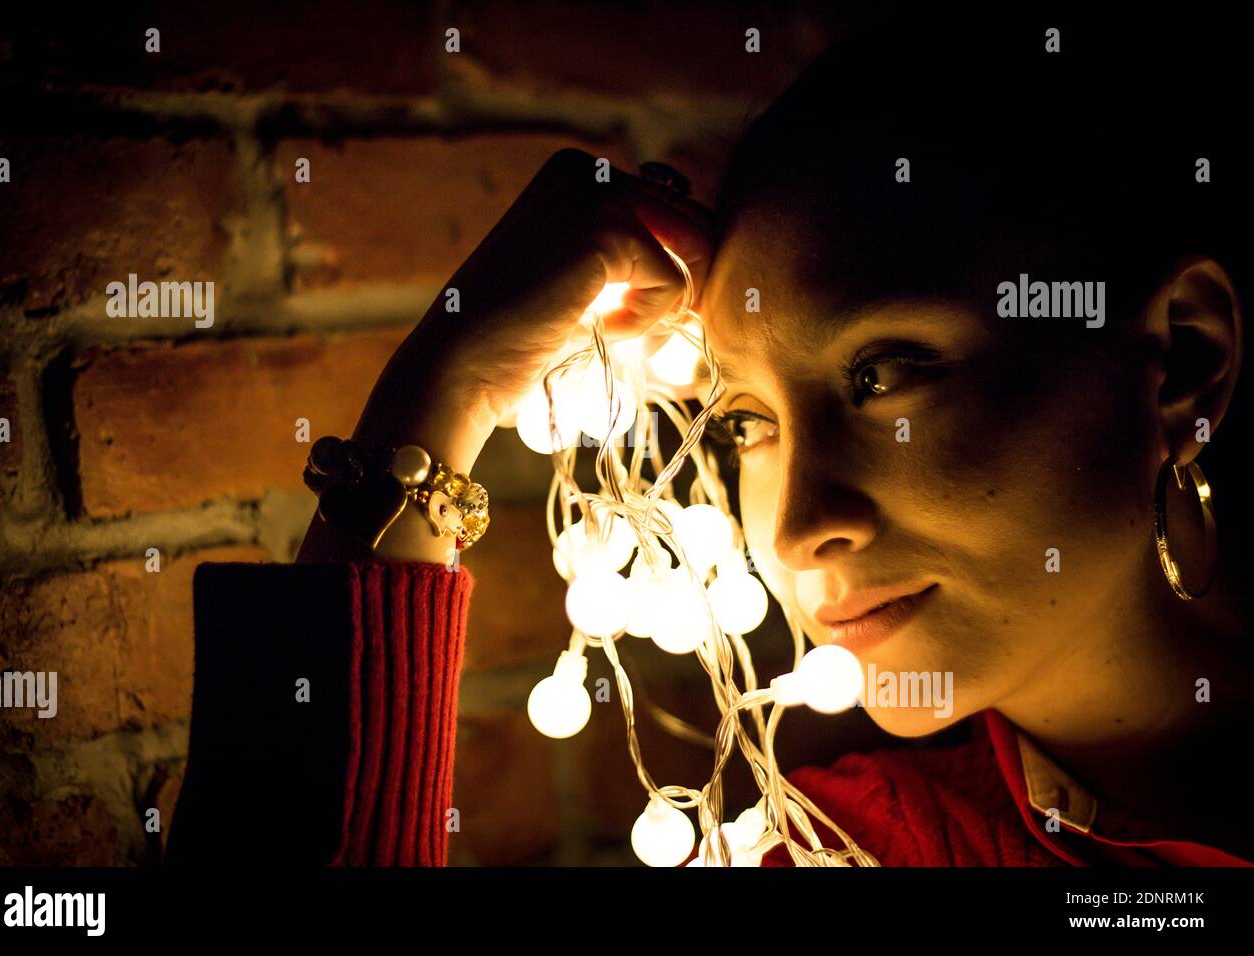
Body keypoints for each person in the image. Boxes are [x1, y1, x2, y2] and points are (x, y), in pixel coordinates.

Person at [166, 6, 1252, 866]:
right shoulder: (847, 852)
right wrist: (440, 392)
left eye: (882, 375)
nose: (794, 526)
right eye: (745, 421)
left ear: (1182, 363)